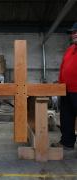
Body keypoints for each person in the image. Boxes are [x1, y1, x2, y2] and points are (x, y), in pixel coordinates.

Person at [51, 22, 77, 150]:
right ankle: (67, 142)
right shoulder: (70, 49)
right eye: (73, 32)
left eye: (76, 31)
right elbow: (63, 68)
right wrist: (60, 84)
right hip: (66, 90)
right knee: (66, 118)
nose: (74, 34)